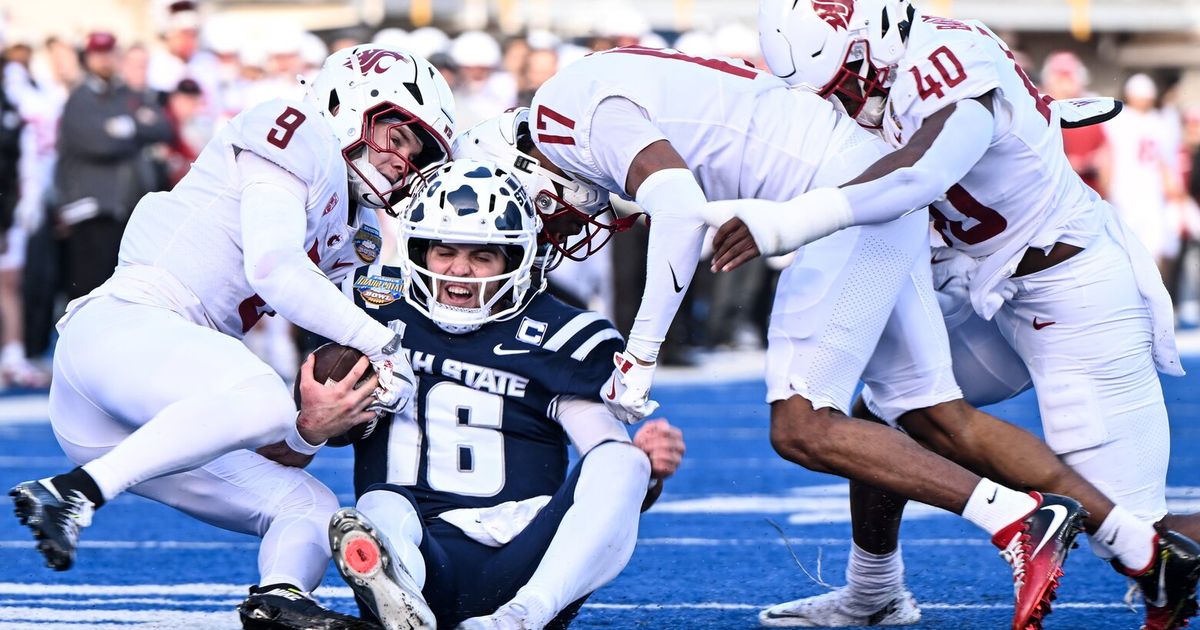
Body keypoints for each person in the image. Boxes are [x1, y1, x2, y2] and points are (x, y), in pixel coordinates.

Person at [469, 51, 1089, 628]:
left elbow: (679, 209)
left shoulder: (561, 116)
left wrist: (642, 353)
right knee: (923, 412)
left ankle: (1015, 518)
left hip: (843, 198)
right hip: (866, 186)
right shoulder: (584, 91)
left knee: (802, 426)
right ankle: (1137, 544)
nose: (549, 221)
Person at [709, 2, 1200, 628]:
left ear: (879, 33)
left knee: (1135, 535)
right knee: (894, 407)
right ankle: (873, 592)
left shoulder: (950, 60)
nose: (848, 98)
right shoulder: (867, 70)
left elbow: (918, 174)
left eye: (850, 79)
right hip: (990, 290)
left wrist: (787, 222)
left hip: (1075, 292)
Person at [9, 43, 454, 625]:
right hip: (123, 328)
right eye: (396, 137)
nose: (401, 161)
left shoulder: (359, 226)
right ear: (350, 105)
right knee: (262, 395)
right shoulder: (293, 129)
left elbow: (287, 429)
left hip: (143, 408)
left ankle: (280, 600)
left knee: (311, 506)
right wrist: (383, 346)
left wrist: (317, 426)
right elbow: (273, 269)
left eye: (414, 152)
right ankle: (73, 493)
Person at [321, 158, 685, 630]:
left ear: (514, 259)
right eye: (445, 251)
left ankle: (519, 619)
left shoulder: (563, 335)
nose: (460, 271)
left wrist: (648, 475)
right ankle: (403, 604)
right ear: (419, 251)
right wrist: (315, 421)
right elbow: (319, 426)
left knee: (624, 460)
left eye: (482, 255)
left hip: (528, 561)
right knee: (378, 506)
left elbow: (607, 475)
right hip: (420, 555)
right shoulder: (372, 316)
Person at [54, 31, 174, 300]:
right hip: (92, 208)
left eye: (109, 53)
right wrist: (135, 129)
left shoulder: (126, 94)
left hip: (126, 207)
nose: (105, 60)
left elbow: (162, 127)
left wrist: (126, 127)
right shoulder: (80, 99)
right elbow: (99, 144)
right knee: (91, 292)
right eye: (98, 54)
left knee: (126, 292)